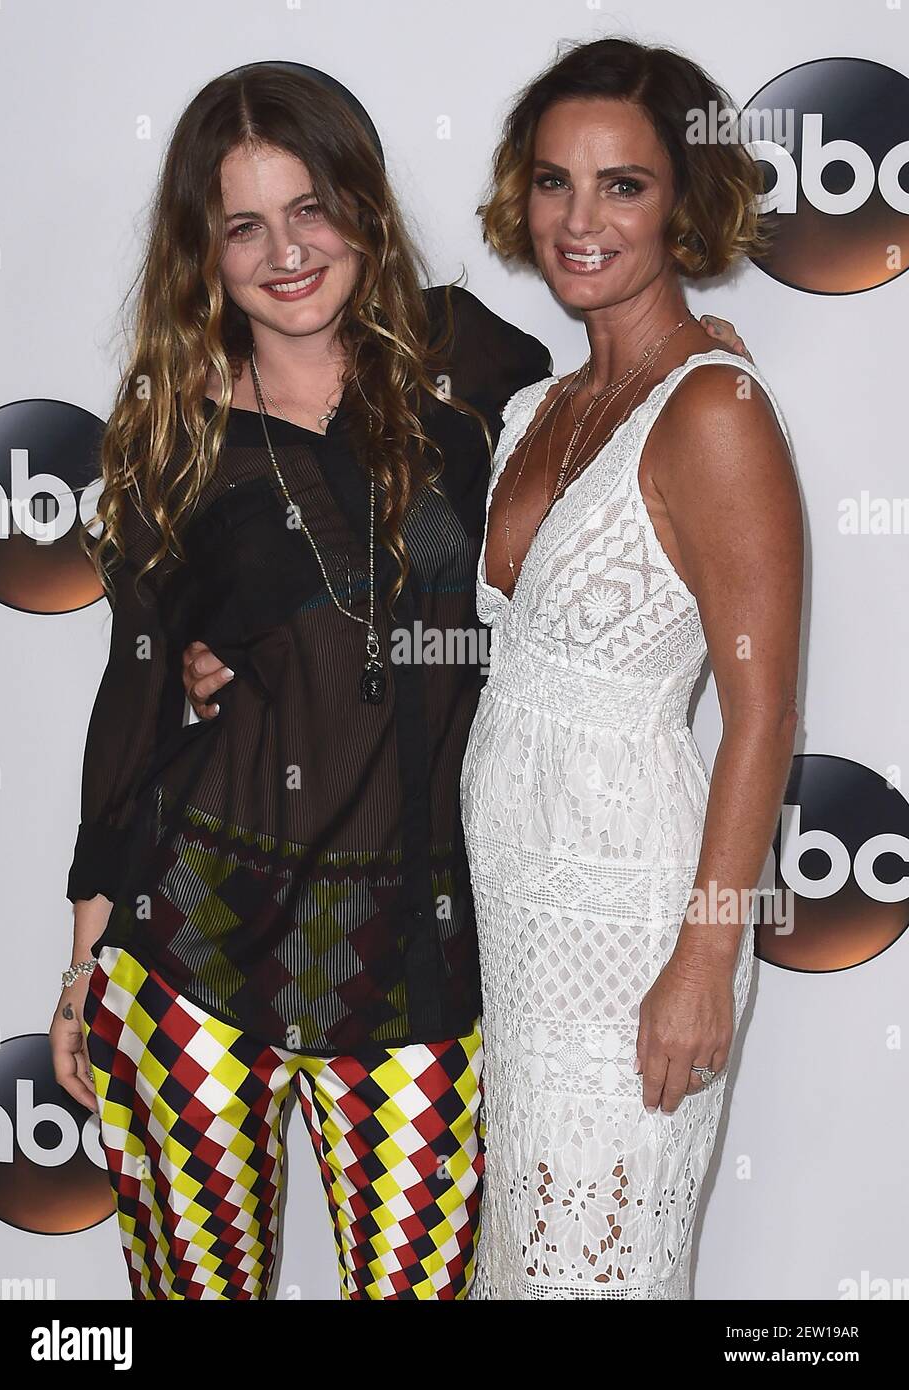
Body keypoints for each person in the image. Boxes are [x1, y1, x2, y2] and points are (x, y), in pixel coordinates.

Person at [52, 61, 746, 1301]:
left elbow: (615, 398)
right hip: (193, 952)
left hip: (418, 969)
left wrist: (703, 358)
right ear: (200, 252)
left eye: (310, 208)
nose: (284, 253)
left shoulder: (474, 369)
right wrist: (79, 963)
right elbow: (137, 700)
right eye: (243, 225)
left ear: (363, 208)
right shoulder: (169, 430)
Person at [455, 37, 804, 1299]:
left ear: (685, 202)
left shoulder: (713, 410)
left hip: (634, 919)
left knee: (590, 1275)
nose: (578, 220)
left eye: (624, 186)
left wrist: (705, 958)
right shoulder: (539, 406)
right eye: (554, 182)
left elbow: (762, 711)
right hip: (520, 915)